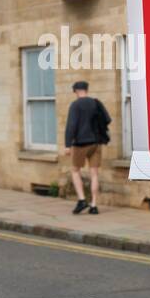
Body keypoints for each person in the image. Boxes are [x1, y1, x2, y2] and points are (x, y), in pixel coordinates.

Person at [63, 80, 111, 215]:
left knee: (75, 170)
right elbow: (106, 120)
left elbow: (71, 126)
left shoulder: (75, 105)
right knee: (94, 174)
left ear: (76, 91)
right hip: (96, 143)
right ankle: (94, 205)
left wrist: (67, 145)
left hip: (80, 144)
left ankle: (82, 200)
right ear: (86, 90)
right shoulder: (95, 103)